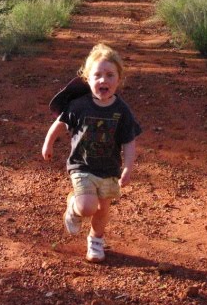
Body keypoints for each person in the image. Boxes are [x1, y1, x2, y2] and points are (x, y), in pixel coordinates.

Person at [42, 43, 142, 263]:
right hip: (82, 165)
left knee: (103, 208)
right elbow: (60, 124)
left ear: (119, 79)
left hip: (109, 169)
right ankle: (74, 208)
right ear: (87, 78)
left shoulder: (122, 110)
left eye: (109, 75)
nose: (103, 80)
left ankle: (96, 240)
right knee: (89, 206)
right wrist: (48, 143)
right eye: (97, 75)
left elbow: (129, 141)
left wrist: (127, 167)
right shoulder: (79, 105)